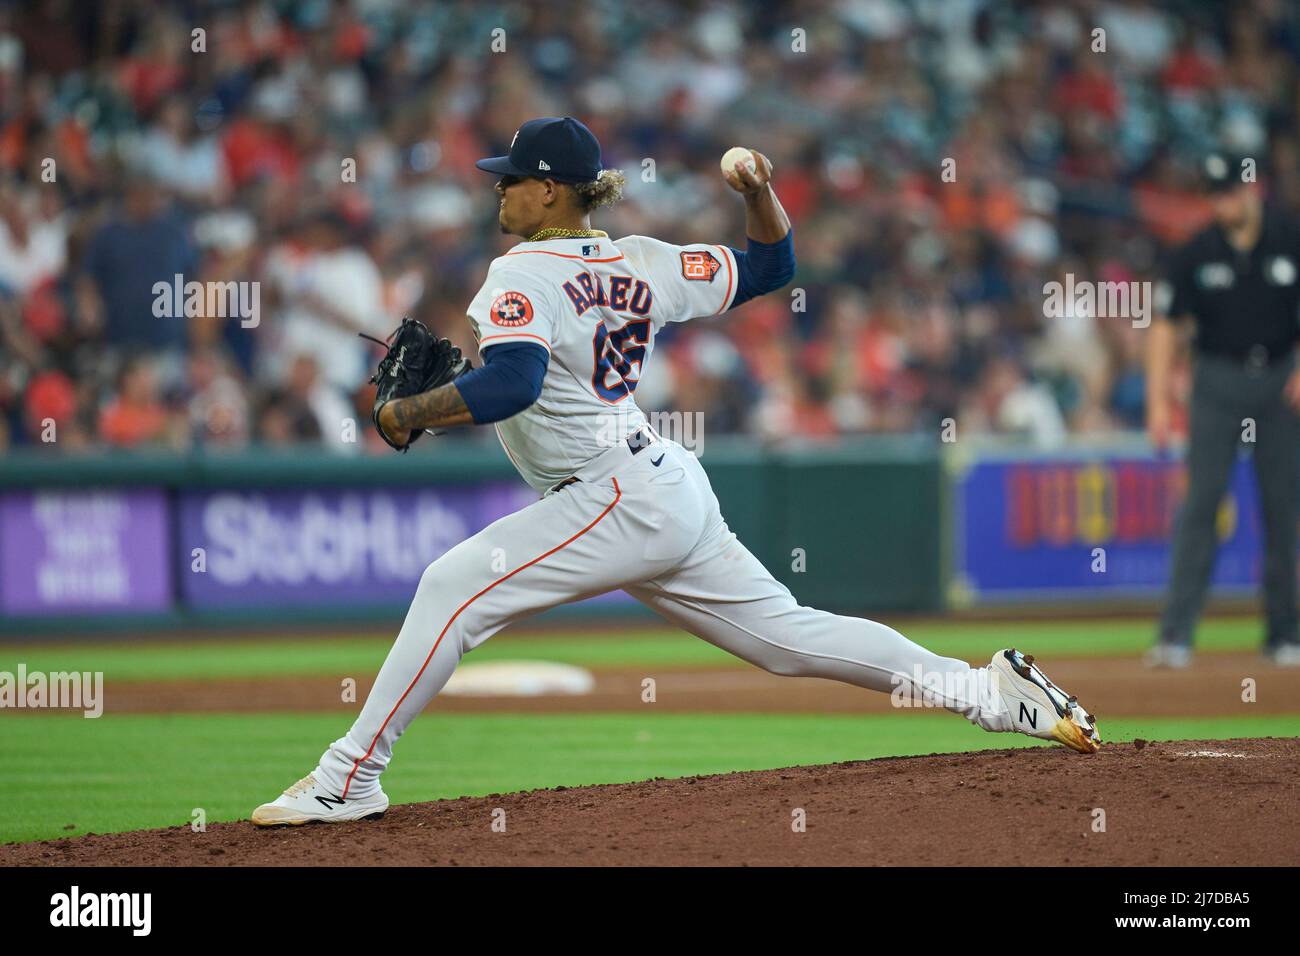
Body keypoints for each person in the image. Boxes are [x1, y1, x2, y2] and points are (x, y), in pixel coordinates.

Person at [252, 117, 1099, 826]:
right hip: (663, 486)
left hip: (614, 496)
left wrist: (405, 413)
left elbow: (510, 383)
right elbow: (774, 266)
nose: (498, 190)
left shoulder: (519, 272)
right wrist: (758, 192)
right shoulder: (644, 260)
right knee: (792, 639)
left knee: (451, 586)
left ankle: (348, 776)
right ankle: (993, 696)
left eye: (511, 179)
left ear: (550, 191)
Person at [1146, 152, 1300, 669]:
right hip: (1215, 381)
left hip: (1279, 382)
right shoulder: (1194, 251)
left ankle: (1285, 634)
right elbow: (1166, 325)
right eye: (1214, 194)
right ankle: (1176, 635)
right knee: (1200, 507)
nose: (1221, 202)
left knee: (1282, 509)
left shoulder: (1288, 238)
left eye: (1229, 191)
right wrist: (1158, 402)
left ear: (1252, 189)